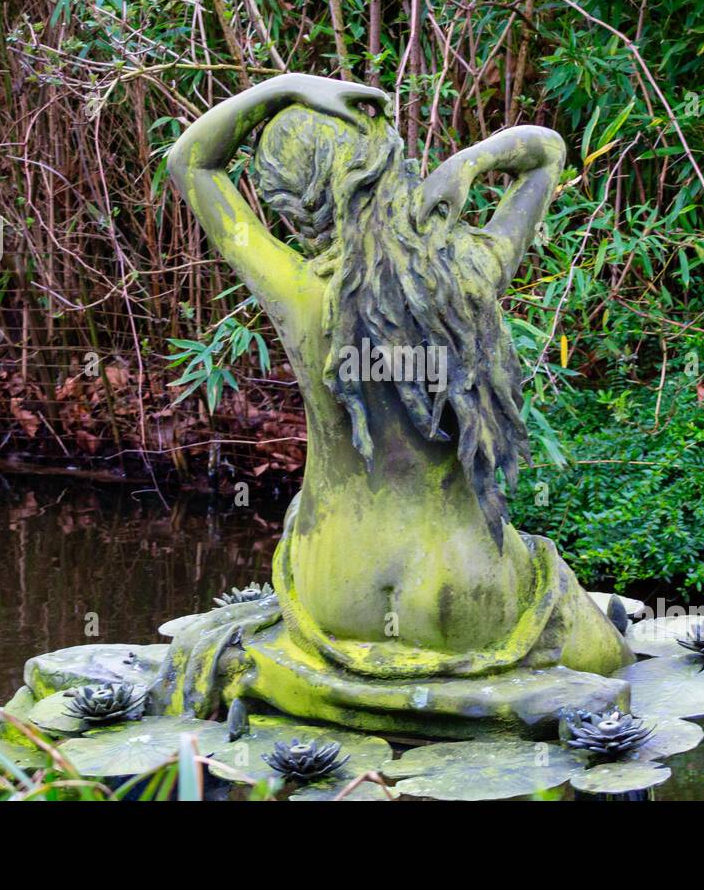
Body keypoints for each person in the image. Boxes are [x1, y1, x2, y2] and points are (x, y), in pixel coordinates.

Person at [169, 73, 629, 679]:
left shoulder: (300, 291)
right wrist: (468, 164)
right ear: (387, 169)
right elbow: (546, 153)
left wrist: (285, 87)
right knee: (595, 642)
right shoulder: (474, 270)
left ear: (295, 204)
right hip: (460, 592)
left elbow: (191, 162)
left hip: (332, 591)